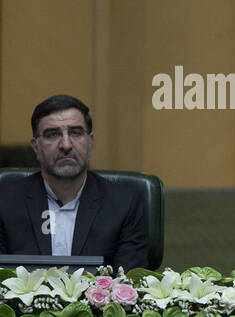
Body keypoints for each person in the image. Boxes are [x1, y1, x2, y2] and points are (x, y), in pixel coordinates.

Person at [0, 94, 148, 269]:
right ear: (36, 147)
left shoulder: (124, 204)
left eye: (76, 133)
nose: (66, 145)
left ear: (90, 141)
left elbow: (129, 286)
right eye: (53, 134)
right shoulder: (5, 203)